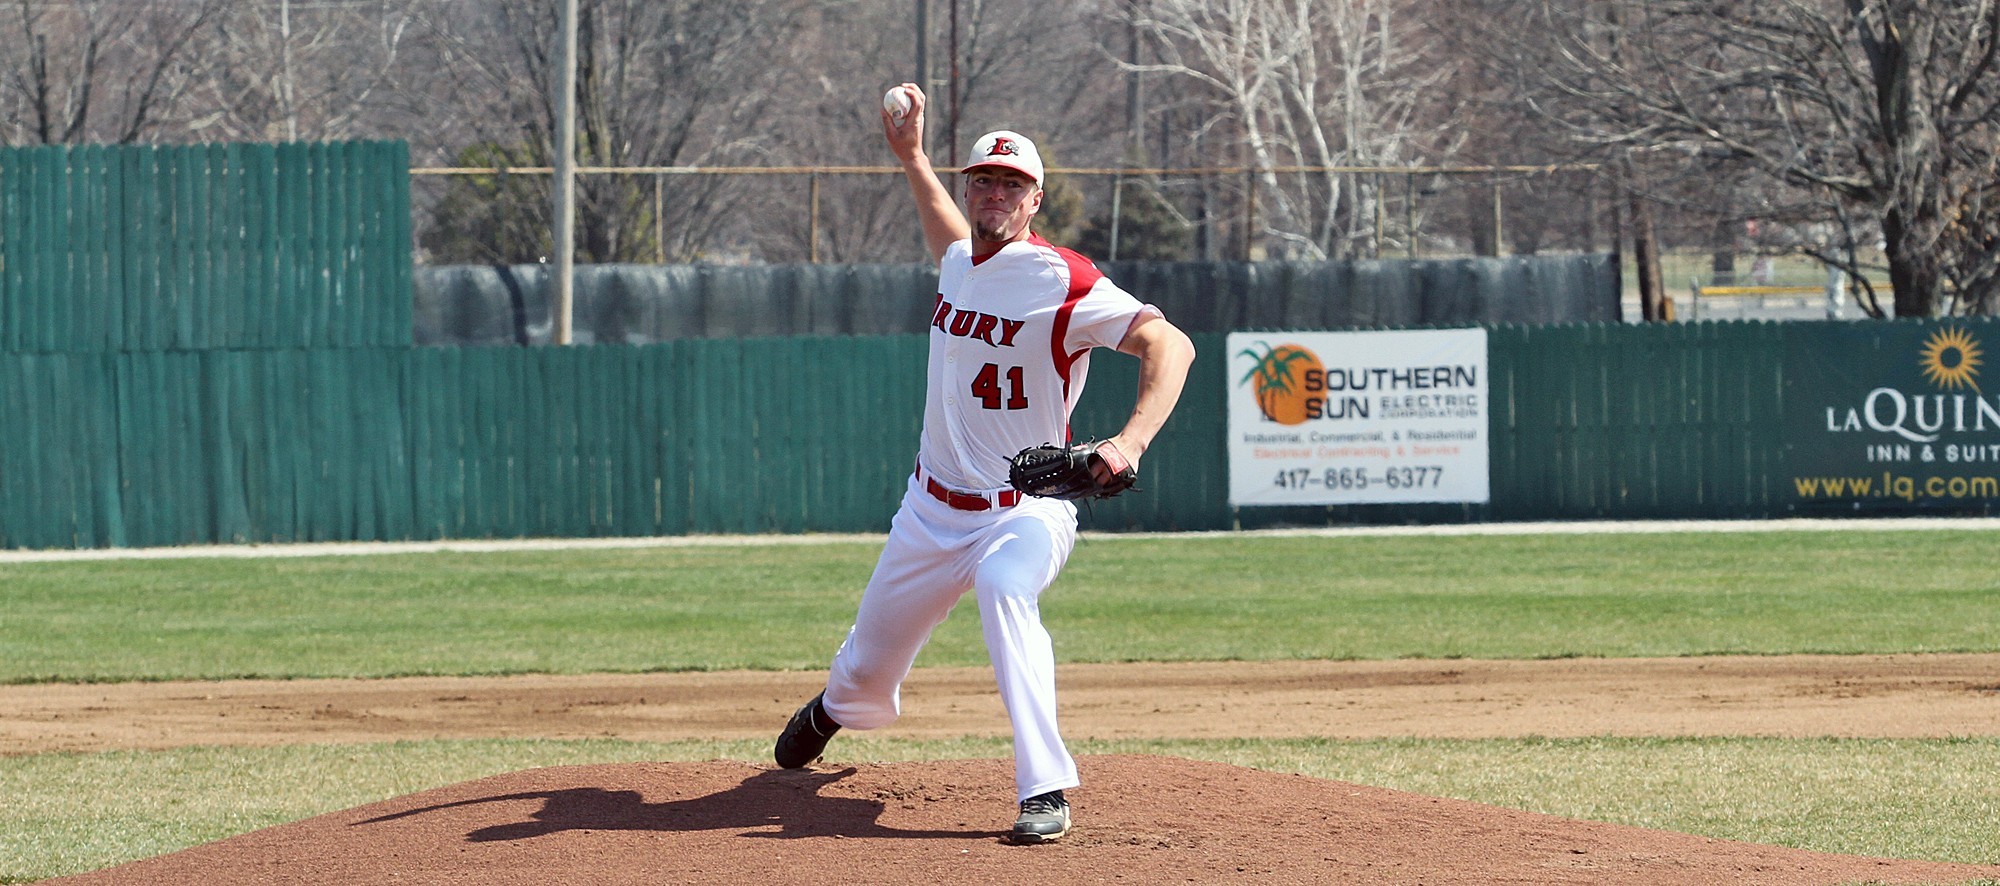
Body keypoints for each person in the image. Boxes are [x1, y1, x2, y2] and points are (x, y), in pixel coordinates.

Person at [773, 83, 1196, 845]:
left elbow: (1173, 344)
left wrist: (1127, 441)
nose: (997, 192)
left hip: (1023, 508)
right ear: (971, 189)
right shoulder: (962, 261)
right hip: (930, 511)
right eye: (985, 181)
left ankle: (1045, 789)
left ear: (1036, 200)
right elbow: (949, 241)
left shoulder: (1063, 280)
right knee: (866, 675)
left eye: (1014, 184)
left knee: (1006, 589)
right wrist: (910, 159)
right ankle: (834, 708)